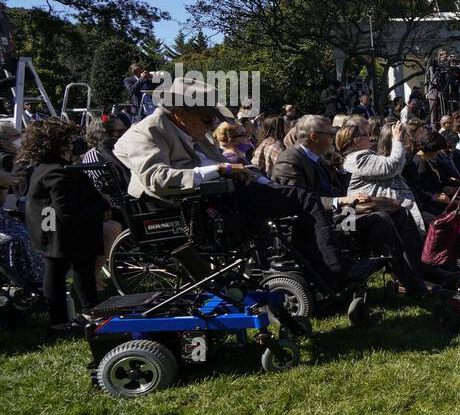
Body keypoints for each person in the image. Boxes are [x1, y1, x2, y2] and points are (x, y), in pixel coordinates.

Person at [113, 82, 371, 291]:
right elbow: (158, 178)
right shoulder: (145, 134)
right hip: (194, 207)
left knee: (301, 200)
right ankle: (335, 272)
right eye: (207, 120)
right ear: (180, 114)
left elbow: (227, 166)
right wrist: (222, 170)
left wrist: (253, 176)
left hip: (224, 195)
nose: (212, 127)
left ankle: (322, 271)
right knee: (304, 200)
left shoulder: (195, 133)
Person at [272, 114, 429, 295]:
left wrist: (355, 194)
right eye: (330, 133)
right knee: (380, 220)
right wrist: (341, 200)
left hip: (339, 216)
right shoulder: (290, 160)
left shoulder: (317, 158)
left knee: (399, 213)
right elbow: (298, 200)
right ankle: (411, 282)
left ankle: (420, 271)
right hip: (321, 223)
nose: (334, 136)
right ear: (314, 137)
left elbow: (336, 188)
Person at [17, 119, 112, 332]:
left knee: (80, 267)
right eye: (71, 140)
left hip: (60, 230)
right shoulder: (55, 172)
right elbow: (67, 212)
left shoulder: (56, 167)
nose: (77, 142)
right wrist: (101, 207)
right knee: (58, 270)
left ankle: (88, 311)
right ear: (58, 144)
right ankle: (60, 322)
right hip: (57, 232)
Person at [339, 121, 427, 232]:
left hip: (388, 211)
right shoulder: (357, 158)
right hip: (373, 214)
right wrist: (397, 140)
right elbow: (393, 166)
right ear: (356, 141)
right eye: (366, 135)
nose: (370, 137)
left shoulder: (364, 156)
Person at [80, 115, 131, 193]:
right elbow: (109, 190)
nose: (125, 133)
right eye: (120, 131)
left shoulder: (117, 149)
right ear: (104, 134)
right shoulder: (95, 158)